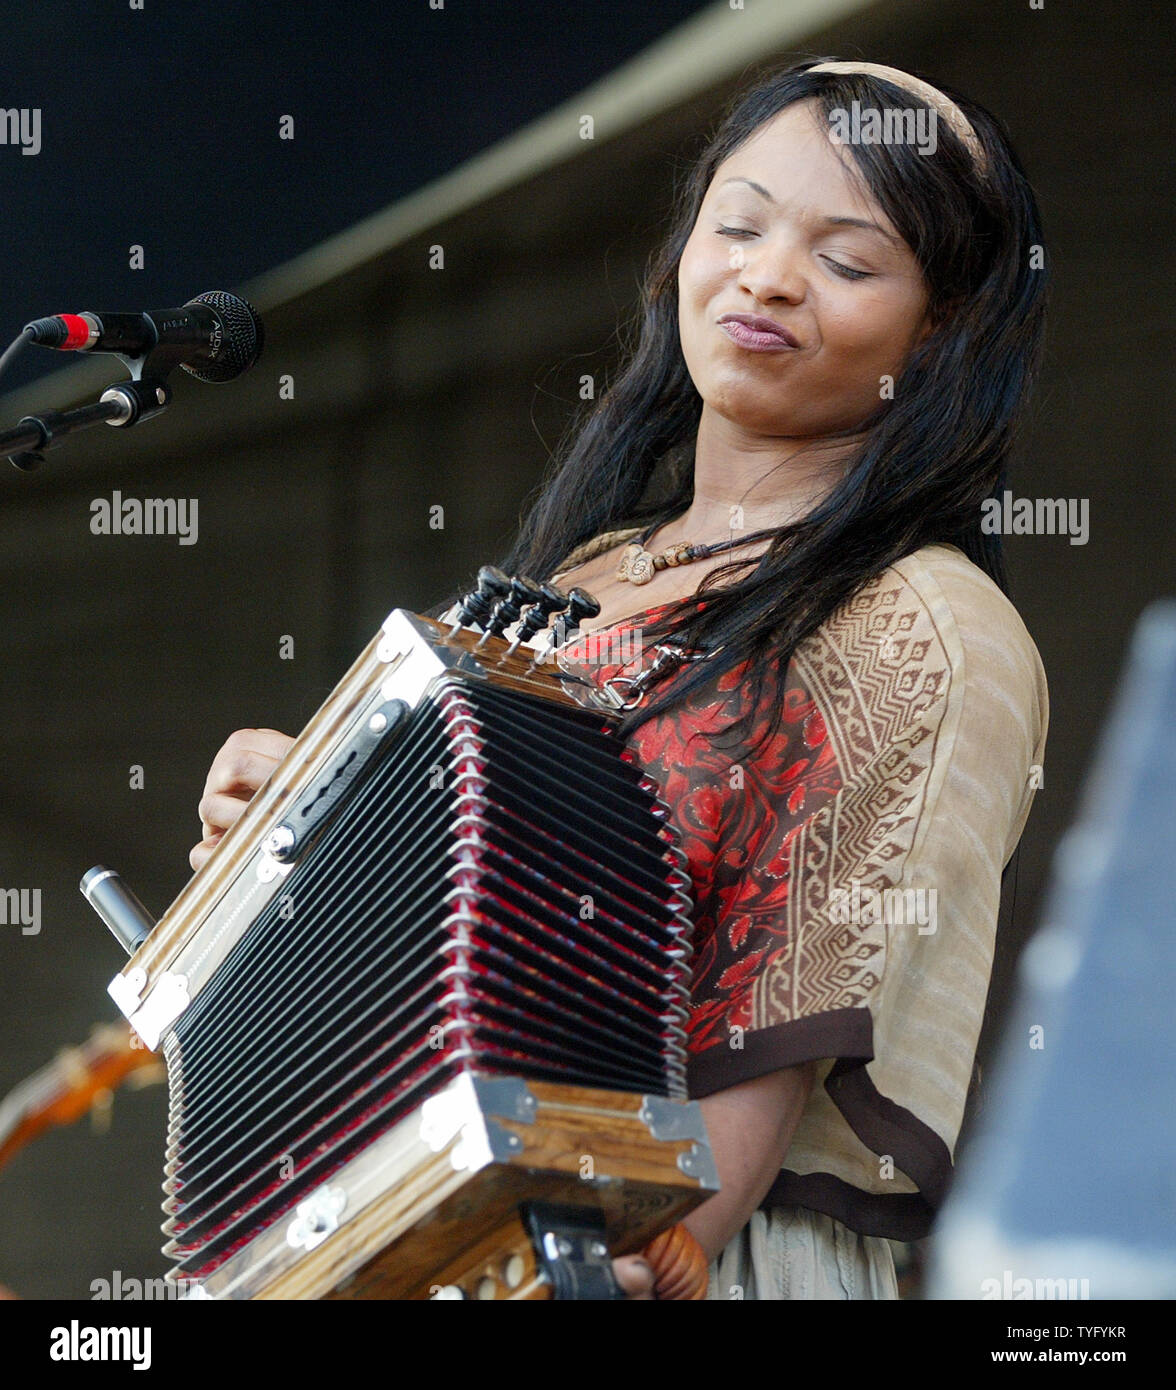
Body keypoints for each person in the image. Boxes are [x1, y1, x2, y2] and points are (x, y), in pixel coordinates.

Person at [191, 59, 1049, 1300]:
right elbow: (437, 925)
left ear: (946, 330)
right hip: (421, 1212)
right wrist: (289, 823)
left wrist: (635, 1241)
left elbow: (774, 1035)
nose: (765, 276)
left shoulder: (928, 621)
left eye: (848, 262)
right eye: (738, 225)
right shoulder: (589, 569)